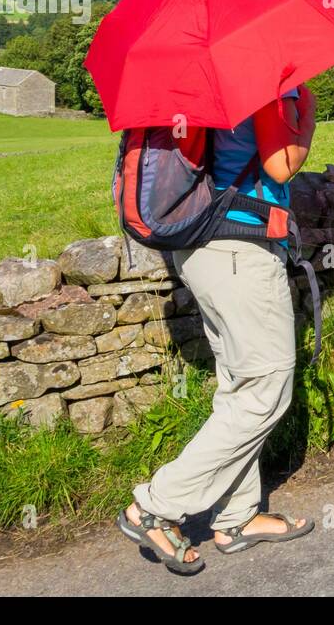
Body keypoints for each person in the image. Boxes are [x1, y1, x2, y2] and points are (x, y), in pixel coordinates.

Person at [117, 85, 318, 574]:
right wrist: (303, 109)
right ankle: (155, 506)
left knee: (239, 385)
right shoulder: (266, 78)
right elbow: (282, 165)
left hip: (201, 249)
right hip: (239, 248)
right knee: (268, 385)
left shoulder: (202, 80)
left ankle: (237, 518)